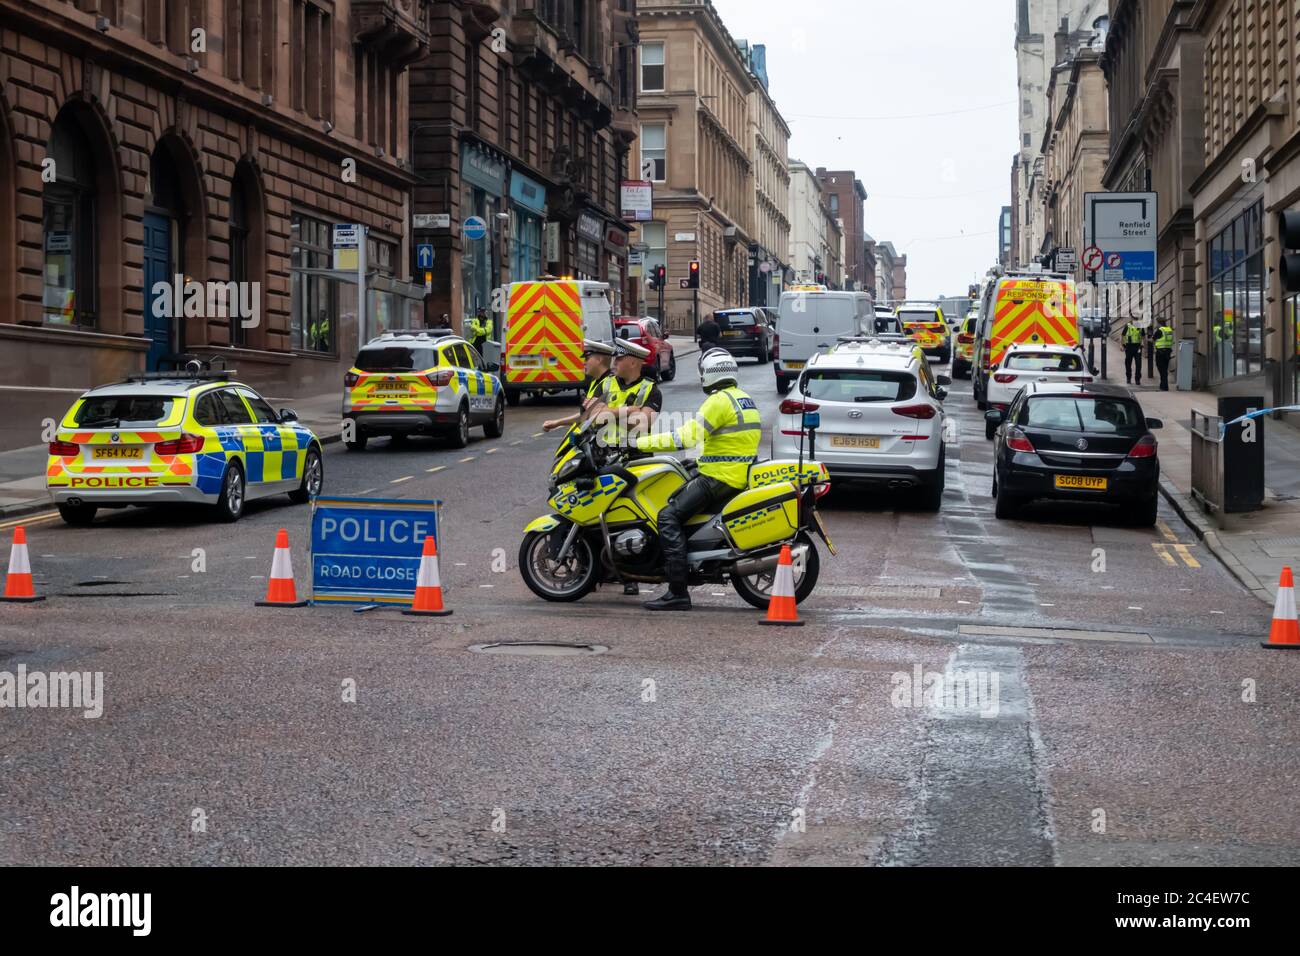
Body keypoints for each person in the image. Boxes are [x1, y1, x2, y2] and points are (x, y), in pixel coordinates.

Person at [634, 349, 761, 611]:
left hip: (719, 478)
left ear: (709, 374)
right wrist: (697, 461)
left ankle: (677, 590)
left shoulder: (718, 401)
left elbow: (686, 438)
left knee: (667, 516)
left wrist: (639, 442)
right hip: (734, 474)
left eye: (702, 372)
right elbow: (726, 442)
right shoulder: (743, 398)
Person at [542, 340, 614, 434]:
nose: (584, 363)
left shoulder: (609, 384)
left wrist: (558, 423)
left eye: (587, 359)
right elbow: (585, 414)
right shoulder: (596, 382)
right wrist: (558, 422)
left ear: (599, 360)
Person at [1154, 321, 1175, 391]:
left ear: (1159, 323)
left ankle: (1164, 387)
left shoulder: (1160, 330)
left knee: (1161, 369)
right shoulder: (1169, 330)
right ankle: (1164, 386)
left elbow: (1153, 339)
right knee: (1165, 369)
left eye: (1157, 323)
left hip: (1160, 352)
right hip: (1168, 352)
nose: (1157, 325)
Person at [1123, 321, 1144, 386]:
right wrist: (1121, 345)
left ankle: (1137, 379)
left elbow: (1143, 336)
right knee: (1128, 363)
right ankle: (1128, 378)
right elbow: (1122, 335)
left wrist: (1143, 344)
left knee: (1138, 364)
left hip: (1137, 347)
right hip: (1129, 347)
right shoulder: (1127, 326)